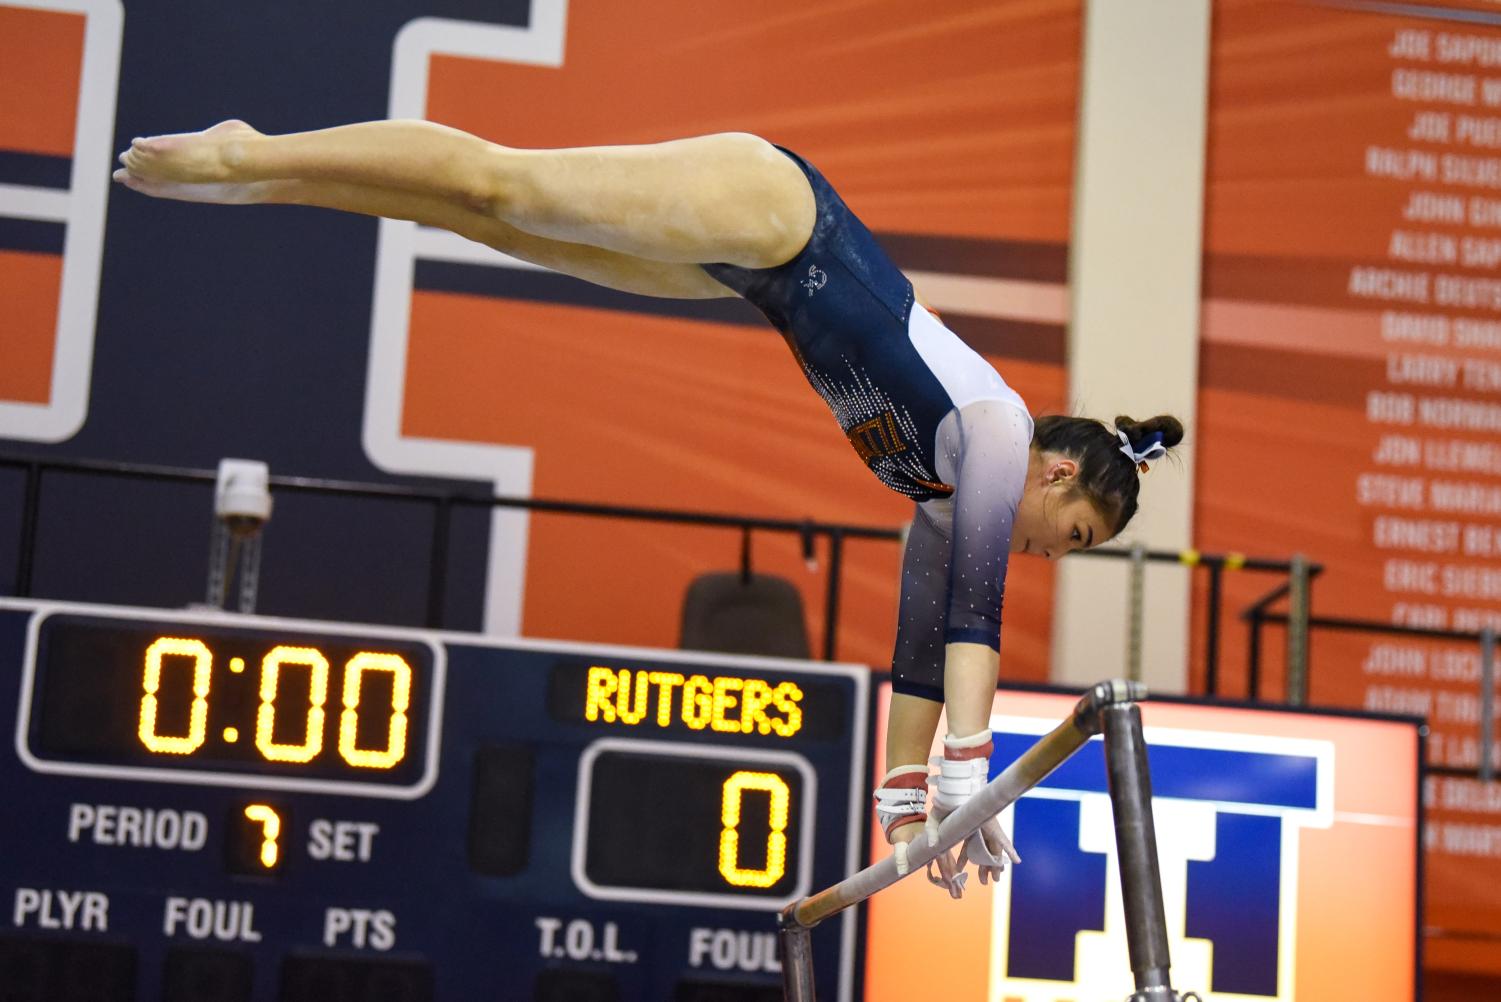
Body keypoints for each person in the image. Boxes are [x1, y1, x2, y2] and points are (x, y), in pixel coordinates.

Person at [114, 121, 1183, 895]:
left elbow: (917, 654)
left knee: (501, 232)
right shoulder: (995, 433)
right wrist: (970, 768)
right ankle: (252, 153)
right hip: (779, 216)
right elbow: (974, 625)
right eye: (1074, 537)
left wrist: (906, 797)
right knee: (504, 184)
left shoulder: (943, 492)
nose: (1054, 553)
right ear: (1055, 477)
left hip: (756, 275)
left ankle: (280, 186)